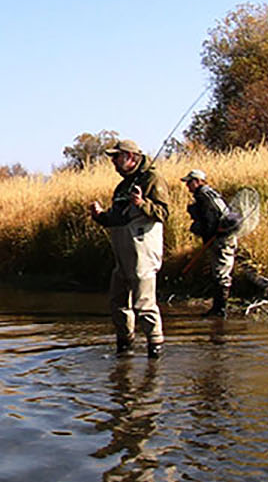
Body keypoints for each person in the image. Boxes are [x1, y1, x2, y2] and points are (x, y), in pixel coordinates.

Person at [86, 139, 170, 357]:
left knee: (144, 303)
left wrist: (142, 204)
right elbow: (116, 219)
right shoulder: (122, 186)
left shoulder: (153, 178)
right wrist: (100, 216)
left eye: (117, 157)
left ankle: (155, 349)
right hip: (122, 253)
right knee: (117, 302)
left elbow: (164, 213)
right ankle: (125, 348)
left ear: (131, 157)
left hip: (143, 252)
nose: (113, 161)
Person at [182, 169, 240, 316]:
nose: (187, 186)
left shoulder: (204, 197)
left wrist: (207, 233)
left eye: (189, 182)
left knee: (221, 274)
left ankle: (220, 310)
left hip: (222, 240)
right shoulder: (209, 194)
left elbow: (210, 221)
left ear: (197, 181)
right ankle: (218, 308)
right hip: (221, 238)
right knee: (219, 272)